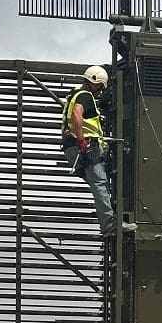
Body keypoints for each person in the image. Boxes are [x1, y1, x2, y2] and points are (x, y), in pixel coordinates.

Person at [61, 66, 114, 233]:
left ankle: (107, 220)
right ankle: (109, 223)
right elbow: (77, 114)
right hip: (83, 147)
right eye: (101, 87)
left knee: (97, 182)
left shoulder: (76, 94)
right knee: (99, 182)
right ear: (95, 83)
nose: (101, 91)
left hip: (71, 148)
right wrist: (82, 140)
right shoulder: (85, 96)